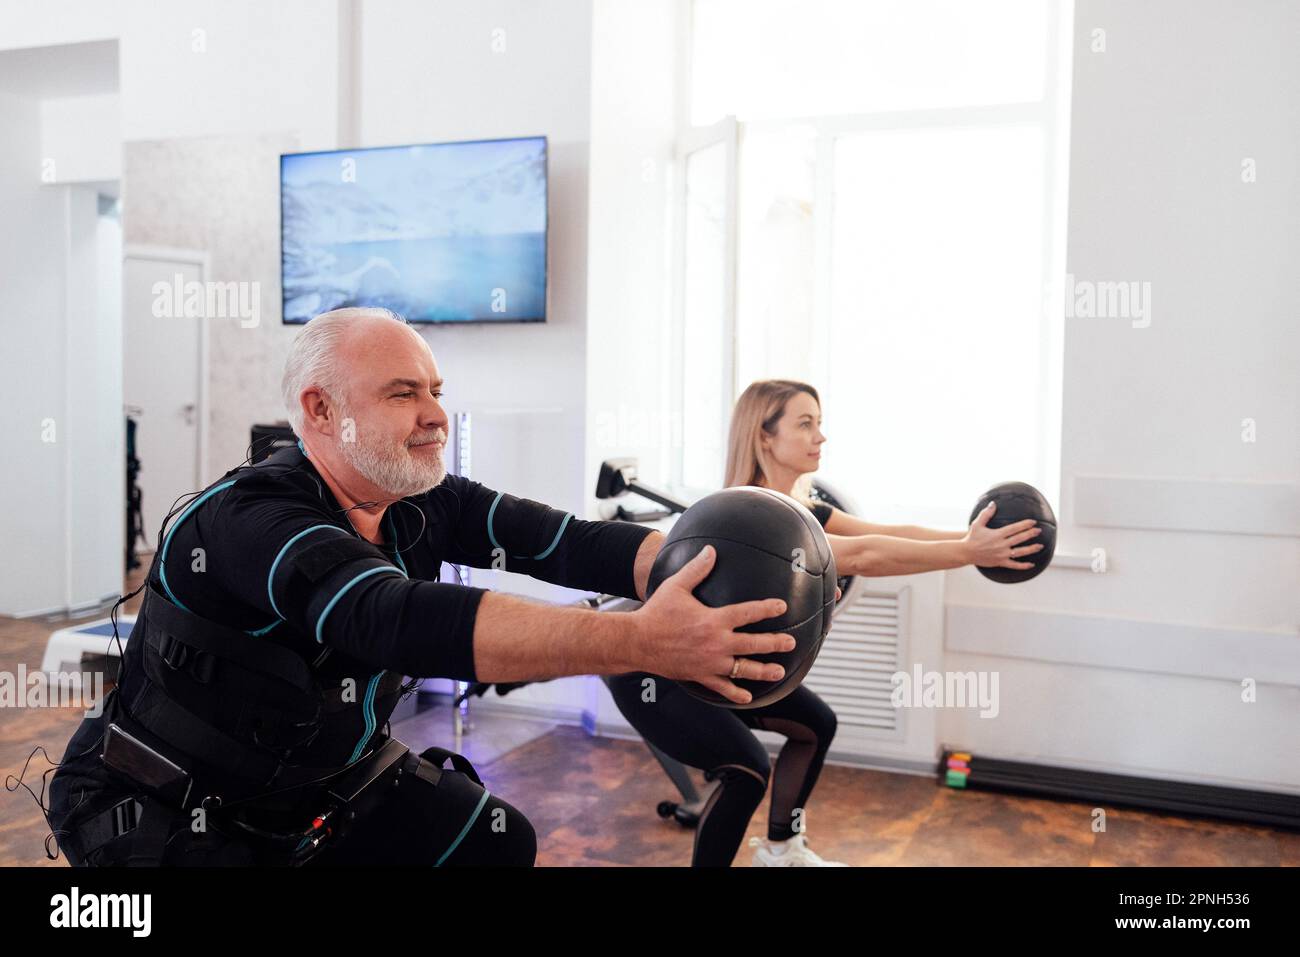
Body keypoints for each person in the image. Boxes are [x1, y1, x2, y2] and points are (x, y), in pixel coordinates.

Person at [45, 308, 795, 867]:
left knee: (496, 846)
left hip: (315, 784)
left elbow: (574, 543)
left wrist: (706, 563)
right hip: (157, 807)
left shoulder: (420, 497)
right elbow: (390, 617)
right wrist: (642, 641)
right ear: (320, 411)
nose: (436, 414)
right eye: (403, 393)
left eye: (435, 389)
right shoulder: (250, 520)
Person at [607, 379, 1042, 866]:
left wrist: (971, 538)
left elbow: (886, 532)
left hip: (720, 662)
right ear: (765, 436)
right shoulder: (746, 513)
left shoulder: (797, 508)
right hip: (656, 669)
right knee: (745, 769)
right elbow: (865, 554)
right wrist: (966, 553)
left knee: (815, 725)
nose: (820, 437)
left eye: (820, 423)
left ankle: (781, 850)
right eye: (805, 423)